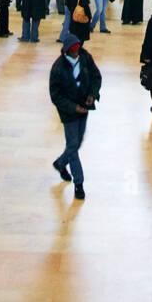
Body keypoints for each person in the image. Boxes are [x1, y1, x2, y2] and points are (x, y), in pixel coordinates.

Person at [49, 34, 102, 201]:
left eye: (78, 49)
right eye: (74, 51)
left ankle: (60, 163)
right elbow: (55, 95)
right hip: (69, 112)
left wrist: (92, 95)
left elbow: (96, 77)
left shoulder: (85, 57)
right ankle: (79, 184)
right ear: (67, 52)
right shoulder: (58, 68)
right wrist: (73, 107)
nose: (77, 53)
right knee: (73, 145)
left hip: (84, 108)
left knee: (77, 143)